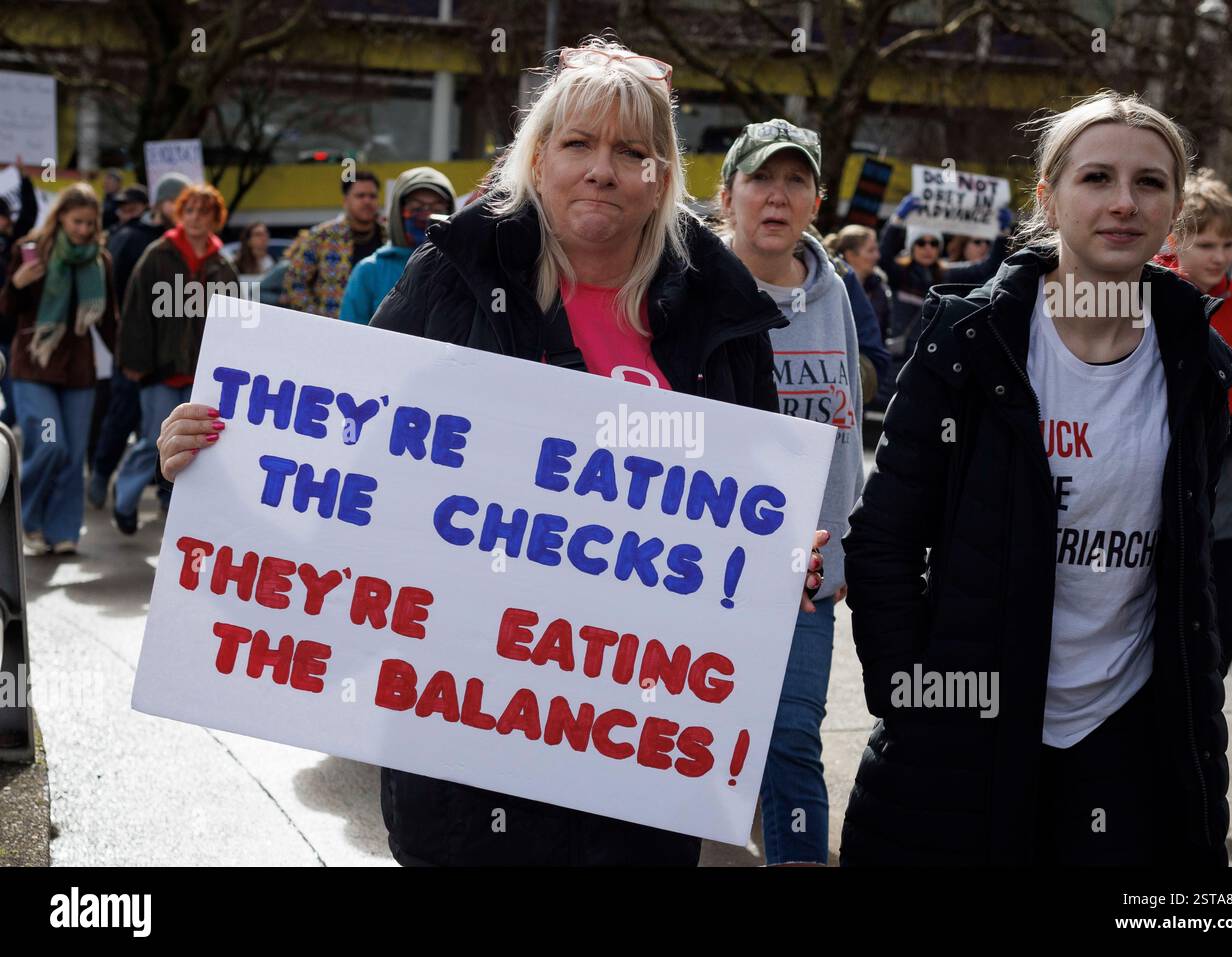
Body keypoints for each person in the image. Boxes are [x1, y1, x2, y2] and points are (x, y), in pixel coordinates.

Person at [154, 37, 828, 867]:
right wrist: (217, 459)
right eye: (579, 144)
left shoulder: (720, 312)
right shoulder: (454, 275)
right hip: (468, 744)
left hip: (639, 747)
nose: (602, 170)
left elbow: (752, 503)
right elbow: (345, 456)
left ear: (663, 176)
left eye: (631, 152)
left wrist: (778, 557)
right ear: (538, 158)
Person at [840, 91, 1232, 867]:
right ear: (1048, 198)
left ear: (1174, 209)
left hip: (1127, 738)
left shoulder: (1196, 362)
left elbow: (1199, 567)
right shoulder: (966, 345)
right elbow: (883, 539)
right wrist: (912, 698)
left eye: (1150, 183)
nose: (1124, 202)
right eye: (1097, 178)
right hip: (968, 728)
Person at [716, 118, 864, 865]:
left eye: (795, 181)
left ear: (815, 200)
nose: (777, 196)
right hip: (703, 567)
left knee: (794, 735)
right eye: (760, 180)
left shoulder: (836, 294)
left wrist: (845, 546)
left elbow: (846, 427)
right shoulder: (690, 288)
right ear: (729, 195)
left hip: (804, 569)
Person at [1173, 169, 1232, 674]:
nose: (1220, 257)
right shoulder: (1150, 295)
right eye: (1206, 243)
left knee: (1225, 621)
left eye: (1229, 244)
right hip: (1162, 474)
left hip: (1225, 476)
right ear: (1175, 238)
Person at [113, 183, 238, 535]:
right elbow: (136, 309)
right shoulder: (159, 253)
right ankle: (124, 500)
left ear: (216, 218)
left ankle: (178, 508)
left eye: (204, 212)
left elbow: (235, 323)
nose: (196, 218)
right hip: (159, 368)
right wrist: (134, 361)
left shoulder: (223, 264)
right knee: (155, 436)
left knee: (197, 444)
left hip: (203, 372)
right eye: (190, 210)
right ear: (180, 214)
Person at [0, 183, 117, 555]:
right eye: (77, 221)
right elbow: (6, 312)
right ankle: (24, 520)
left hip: (79, 373)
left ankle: (63, 531)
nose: (83, 229)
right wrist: (17, 285)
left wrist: (131, 364)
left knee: (72, 455)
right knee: (51, 445)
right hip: (35, 366)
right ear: (61, 217)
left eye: (90, 222)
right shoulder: (31, 252)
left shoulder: (100, 261)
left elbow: (107, 321)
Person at [86, 172, 192, 510]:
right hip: (136, 351)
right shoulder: (132, 239)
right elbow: (121, 299)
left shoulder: (190, 243)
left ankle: (166, 498)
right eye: (176, 203)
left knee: (168, 430)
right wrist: (130, 351)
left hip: (174, 360)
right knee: (124, 417)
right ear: (160, 204)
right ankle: (103, 476)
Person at [874, 196, 1010, 406]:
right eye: (921, 242)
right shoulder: (899, 273)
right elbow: (884, 256)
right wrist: (897, 221)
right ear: (911, 246)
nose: (928, 248)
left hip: (932, 362)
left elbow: (987, 267)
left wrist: (1002, 234)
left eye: (934, 243)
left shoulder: (947, 274)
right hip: (897, 365)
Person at [338, 166, 455, 325]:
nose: (426, 215)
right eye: (416, 208)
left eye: (437, 209)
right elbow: (349, 339)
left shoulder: (464, 271)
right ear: (397, 213)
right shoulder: (369, 271)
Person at [281, 171, 386, 319]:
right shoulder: (322, 235)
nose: (367, 201)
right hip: (333, 329)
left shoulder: (388, 237)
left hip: (379, 329)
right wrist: (317, 318)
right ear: (346, 200)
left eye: (372, 196)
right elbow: (294, 281)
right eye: (360, 196)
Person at [0, 160, 40, 429]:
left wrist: (24, 178)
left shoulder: (12, 244)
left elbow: (29, 214)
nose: (8, 222)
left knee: (14, 406)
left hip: (8, 336)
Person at [825, 224, 890, 343]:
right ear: (850, 255)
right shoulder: (830, 287)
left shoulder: (879, 289)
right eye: (871, 250)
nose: (877, 256)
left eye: (877, 250)